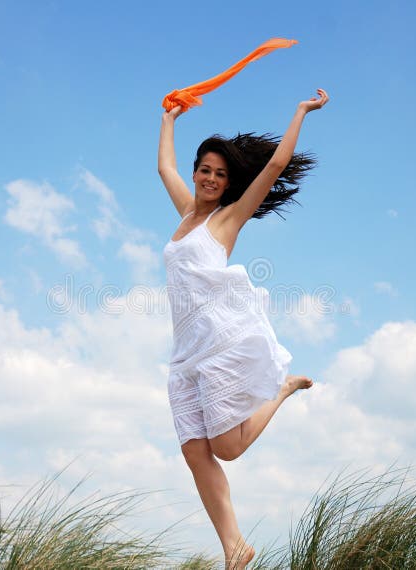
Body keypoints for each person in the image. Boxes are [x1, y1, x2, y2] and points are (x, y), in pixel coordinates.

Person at [159, 88, 329, 568]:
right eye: (205, 170)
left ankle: (282, 389)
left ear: (228, 182)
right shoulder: (186, 214)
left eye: (220, 174)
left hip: (218, 342)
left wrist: (300, 112)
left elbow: (274, 167)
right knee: (195, 453)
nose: (211, 179)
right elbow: (165, 169)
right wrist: (169, 119)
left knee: (227, 448)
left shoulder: (227, 220)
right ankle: (235, 547)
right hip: (184, 352)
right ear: (196, 172)